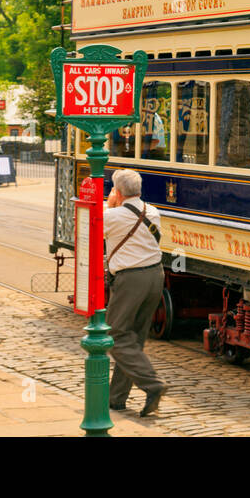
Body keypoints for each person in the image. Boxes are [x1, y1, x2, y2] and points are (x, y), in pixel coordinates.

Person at [103, 169, 168, 416]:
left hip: (131, 280)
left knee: (115, 335)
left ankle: (153, 385)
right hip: (155, 276)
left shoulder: (112, 215)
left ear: (118, 192)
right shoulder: (152, 211)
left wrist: (110, 205)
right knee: (133, 340)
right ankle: (116, 398)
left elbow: (91, 229)